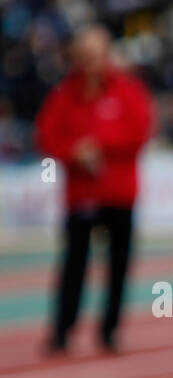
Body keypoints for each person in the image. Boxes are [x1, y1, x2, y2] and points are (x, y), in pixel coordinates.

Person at [35, 25, 153, 355]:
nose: (89, 62)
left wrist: (99, 146)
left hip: (119, 193)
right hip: (81, 195)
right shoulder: (63, 94)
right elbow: (47, 137)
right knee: (74, 264)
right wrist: (75, 152)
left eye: (95, 55)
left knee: (118, 266)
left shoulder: (128, 90)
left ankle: (110, 330)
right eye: (83, 55)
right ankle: (62, 330)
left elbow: (139, 132)